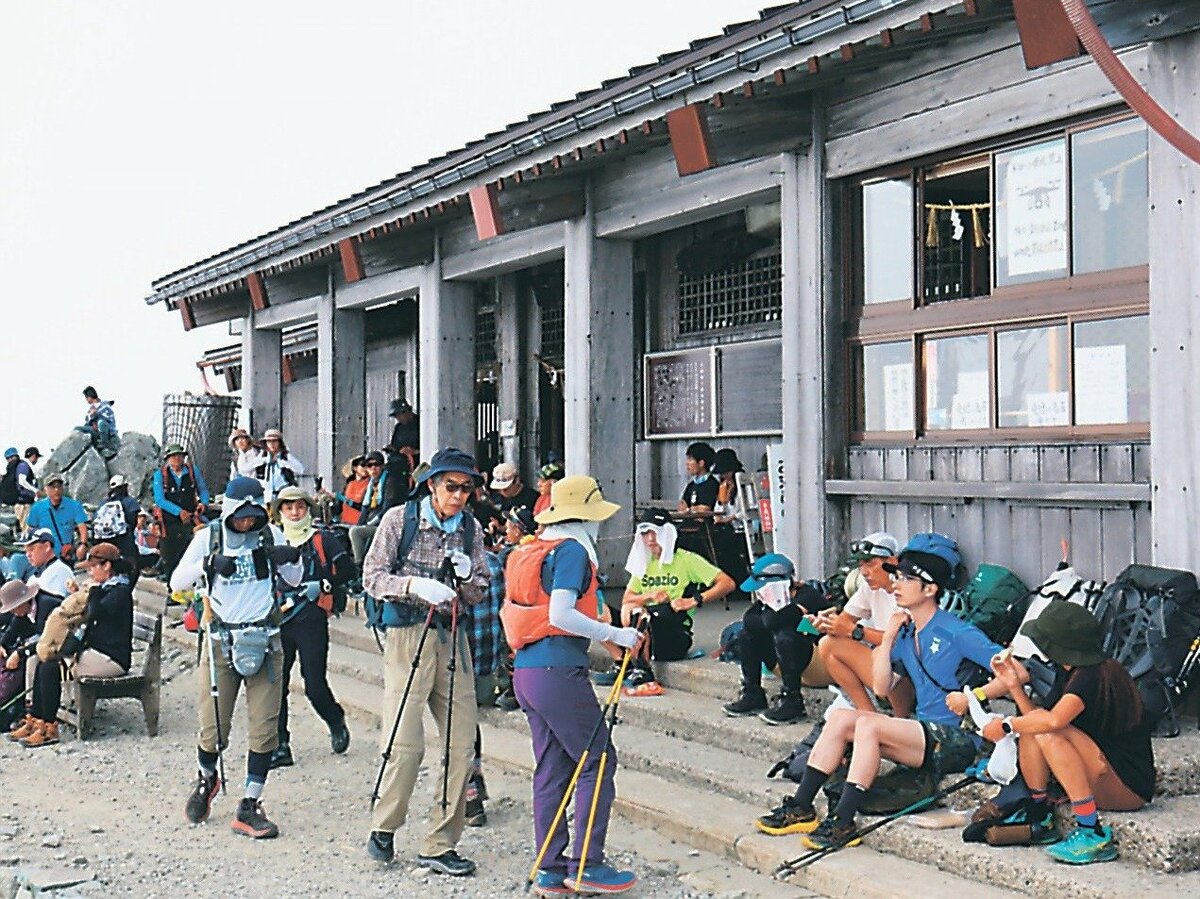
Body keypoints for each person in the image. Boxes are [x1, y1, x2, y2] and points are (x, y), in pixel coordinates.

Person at [756, 534, 1004, 846]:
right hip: (923, 732)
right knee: (842, 719)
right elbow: (882, 685)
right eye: (898, 576)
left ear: (930, 590)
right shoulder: (907, 631)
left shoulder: (956, 631)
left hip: (959, 740)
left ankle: (843, 822)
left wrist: (974, 697)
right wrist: (887, 639)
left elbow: (1015, 671)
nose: (897, 584)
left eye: (907, 579)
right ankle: (802, 806)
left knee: (868, 724)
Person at [502, 474, 641, 896]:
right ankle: (586, 864)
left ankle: (550, 866)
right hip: (558, 671)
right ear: (585, 516)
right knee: (597, 761)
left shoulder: (532, 549)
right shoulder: (572, 552)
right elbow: (562, 614)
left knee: (554, 766)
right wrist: (617, 636)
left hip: (527, 671)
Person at [363, 448, 490, 876]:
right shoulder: (399, 520)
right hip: (407, 634)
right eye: (451, 486)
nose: (458, 496)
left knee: (461, 744)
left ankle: (440, 842)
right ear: (432, 484)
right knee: (405, 739)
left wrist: (468, 575)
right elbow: (372, 577)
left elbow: (481, 590)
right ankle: (385, 826)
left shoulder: (471, 529)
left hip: (453, 637)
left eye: (466, 488)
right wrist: (415, 585)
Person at [173, 476, 304, 839]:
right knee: (213, 725)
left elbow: (295, 578)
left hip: (265, 638)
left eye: (253, 515)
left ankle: (250, 801)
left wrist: (289, 558)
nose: (247, 523)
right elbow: (176, 581)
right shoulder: (209, 538)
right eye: (241, 516)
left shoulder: (270, 536)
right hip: (221, 640)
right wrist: (209, 565)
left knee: (265, 727)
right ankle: (207, 777)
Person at [982, 601, 1155, 865]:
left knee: (1048, 731)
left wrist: (1007, 725)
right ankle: (1039, 812)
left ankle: (1091, 831)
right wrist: (1014, 687)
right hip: (1098, 772)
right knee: (1036, 726)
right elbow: (1036, 721)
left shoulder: (1093, 675)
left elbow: (1054, 722)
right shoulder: (1072, 672)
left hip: (1126, 787)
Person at [11, 543, 133, 748]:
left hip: (112, 657)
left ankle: (50, 727)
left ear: (107, 566)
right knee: (43, 661)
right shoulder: (106, 588)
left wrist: (91, 592)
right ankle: (37, 719)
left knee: (51, 668)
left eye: (94, 567)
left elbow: (96, 613)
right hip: (95, 652)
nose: (90, 571)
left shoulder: (119, 591)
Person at [604, 508, 734, 698]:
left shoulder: (686, 559)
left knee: (639, 614)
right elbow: (627, 599)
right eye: (645, 533)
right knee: (601, 610)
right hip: (642, 627)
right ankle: (621, 662)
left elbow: (727, 583)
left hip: (674, 631)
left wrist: (694, 600)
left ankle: (644, 673)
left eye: (655, 532)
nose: (650, 539)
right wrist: (650, 595)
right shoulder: (644, 562)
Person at [268, 486, 354, 770]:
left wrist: (324, 584)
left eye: (300, 507)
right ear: (280, 511)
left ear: (308, 509)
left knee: (313, 683)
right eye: (289, 507)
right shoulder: (269, 538)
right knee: (275, 684)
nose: (295, 512)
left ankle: (334, 719)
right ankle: (280, 744)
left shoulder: (323, 539)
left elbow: (348, 571)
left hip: (312, 618)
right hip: (279, 618)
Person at [722, 553, 830, 725]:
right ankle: (753, 693)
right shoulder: (765, 602)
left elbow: (776, 620)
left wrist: (778, 604)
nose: (758, 592)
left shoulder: (808, 596)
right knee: (745, 635)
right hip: (789, 664)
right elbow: (749, 621)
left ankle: (793, 701)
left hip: (819, 665)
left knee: (785, 633)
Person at [811, 532, 912, 714]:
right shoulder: (869, 588)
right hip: (884, 665)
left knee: (888, 656)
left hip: (908, 670)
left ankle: (901, 719)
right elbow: (844, 621)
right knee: (827, 644)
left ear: (892, 561)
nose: (864, 572)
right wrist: (826, 623)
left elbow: (903, 641)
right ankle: (868, 712)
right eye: (861, 565)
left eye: (871, 564)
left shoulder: (908, 588)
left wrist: (855, 632)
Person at [152, 444, 211, 583]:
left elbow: (202, 489)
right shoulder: (160, 475)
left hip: (190, 518)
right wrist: (179, 512)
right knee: (169, 556)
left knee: (191, 551)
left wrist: (204, 502)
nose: (177, 458)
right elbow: (159, 499)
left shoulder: (192, 471)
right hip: (168, 521)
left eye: (179, 455)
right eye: (173, 456)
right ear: (168, 459)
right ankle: (172, 588)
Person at [25, 473, 89, 563]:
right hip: (46, 555)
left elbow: (82, 526)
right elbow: (30, 529)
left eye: (59, 486)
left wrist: (83, 545)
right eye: (52, 487)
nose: (56, 490)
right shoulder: (37, 508)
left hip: (66, 553)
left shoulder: (74, 505)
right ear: (45, 489)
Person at [0, 580, 38, 732]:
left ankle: (28, 710)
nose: (12, 612)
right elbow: (9, 635)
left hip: (46, 650)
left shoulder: (46, 605)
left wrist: (19, 653)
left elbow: (47, 640)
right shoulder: (21, 615)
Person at [93, 474, 143, 588]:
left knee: (110, 568)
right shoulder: (129, 501)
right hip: (125, 541)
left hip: (105, 542)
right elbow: (132, 521)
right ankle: (125, 591)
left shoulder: (103, 503)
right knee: (132, 567)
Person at [676, 442, 718, 559]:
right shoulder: (691, 485)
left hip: (704, 531)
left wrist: (689, 510)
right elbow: (682, 506)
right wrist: (691, 510)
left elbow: (703, 511)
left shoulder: (711, 484)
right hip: (688, 526)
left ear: (701, 463)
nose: (687, 463)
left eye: (690, 460)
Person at [252, 429, 305, 502]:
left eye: (274, 441)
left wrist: (283, 463)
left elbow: (300, 469)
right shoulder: (262, 456)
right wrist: (265, 461)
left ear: (279, 442)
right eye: (269, 441)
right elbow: (247, 468)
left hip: (284, 493)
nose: (272, 444)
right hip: (266, 495)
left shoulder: (286, 456)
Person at [77, 386, 120, 458]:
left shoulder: (104, 405)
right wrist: (92, 418)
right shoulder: (90, 410)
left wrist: (96, 414)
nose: (86, 400)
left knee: (101, 423)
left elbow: (108, 419)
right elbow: (87, 421)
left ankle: (106, 447)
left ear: (90, 396)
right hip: (95, 430)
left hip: (107, 429)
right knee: (78, 429)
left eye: (87, 397)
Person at [0, 447, 37, 529]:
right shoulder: (22, 465)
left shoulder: (10, 470)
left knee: (22, 527)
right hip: (24, 500)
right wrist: (35, 491)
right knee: (26, 528)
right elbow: (22, 481)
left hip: (13, 502)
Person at [334, 454, 370, 526]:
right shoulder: (349, 483)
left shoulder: (370, 484)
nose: (366, 468)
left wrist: (343, 499)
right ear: (355, 468)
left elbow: (364, 507)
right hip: (344, 522)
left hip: (359, 525)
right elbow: (339, 507)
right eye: (363, 465)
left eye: (368, 466)